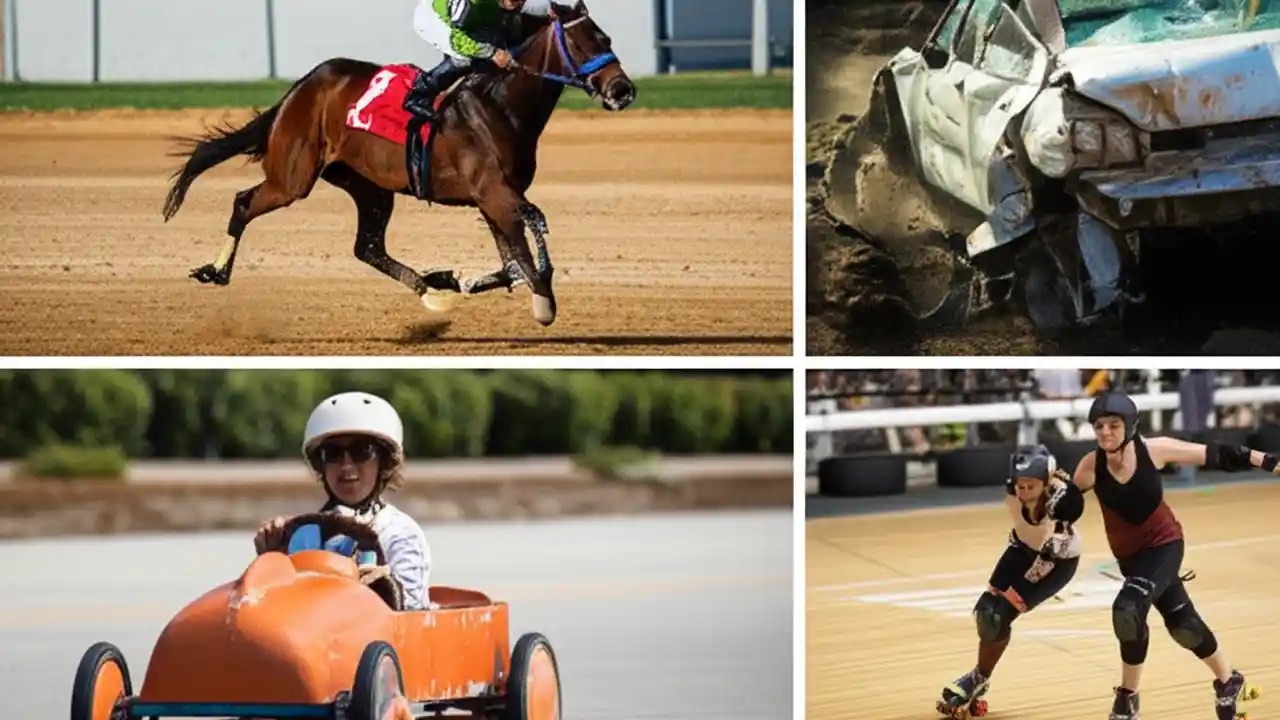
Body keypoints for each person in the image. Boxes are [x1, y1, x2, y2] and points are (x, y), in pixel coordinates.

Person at [1072, 390, 1269, 720]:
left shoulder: (1154, 450)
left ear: (1131, 426)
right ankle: (1229, 680)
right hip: (1130, 558)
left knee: (1128, 609)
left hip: (1163, 544)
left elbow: (1218, 454)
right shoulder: (1091, 465)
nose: (1106, 432)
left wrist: (1267, 461)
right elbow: (1066, 502)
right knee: (1183, 625)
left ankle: (1128, 697)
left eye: (1114, 425)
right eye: (1099, 426)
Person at [936, 444, 1086, 719]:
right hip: (1023, 547)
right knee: (985, 612)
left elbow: (1044, 560)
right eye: (1020, 484)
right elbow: (1025, 527)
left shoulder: (1064, 502)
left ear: (1047, 481)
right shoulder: (1013, 487)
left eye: (1031, 485)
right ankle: (979, 679)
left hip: (1054, 562)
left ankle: (978, 677)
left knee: (998, 616)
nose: (1023, 491)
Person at [253, 391, 431, 610]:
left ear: (384, 462)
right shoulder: (303, 536)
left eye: (361, 451)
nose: (346, 466)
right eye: (333, 453)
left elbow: (410, 614)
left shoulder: (401, 533)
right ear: (321, 463)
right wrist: (271, 556)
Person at [404, 0, 553, 123]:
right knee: (464, 58)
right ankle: (417, 97)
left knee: (499, 38)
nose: (518, 2)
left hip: (472, 19)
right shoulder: (468, 4)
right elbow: (458, 40)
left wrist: (550, 9)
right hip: (434, 20)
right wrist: (491, 53)